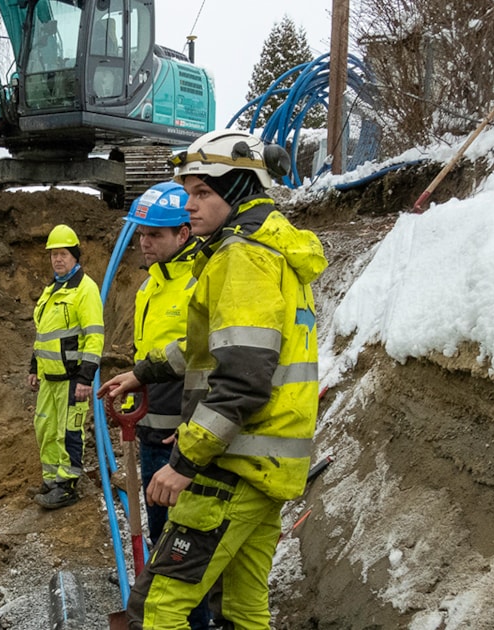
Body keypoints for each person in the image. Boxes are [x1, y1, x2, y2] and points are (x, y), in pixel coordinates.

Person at [99, 129, 326, 629]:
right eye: (189, 192)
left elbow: (242, 378)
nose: (190, 206)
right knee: (244, 608)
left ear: (242, 188)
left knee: (157, 610)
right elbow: (211, 349)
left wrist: (183, 462)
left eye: (203, 193)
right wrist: (143, 372)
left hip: (233, 463)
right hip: (267, 466)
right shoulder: (274, 254)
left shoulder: (242, 258)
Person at [122, 182, 212, 629]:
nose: (144, 243)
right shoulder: (147, 289)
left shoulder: (204, 280)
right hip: (152, 433)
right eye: (141, 234)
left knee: (185, 555)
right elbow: (149, 358)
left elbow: (209, 358)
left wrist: (193, 431)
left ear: (183, 234)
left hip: (188, 443)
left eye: (154, 235)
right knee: (164, 542)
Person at [29, 224, 105, 509]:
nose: (57, 259)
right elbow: (43, 333)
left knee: (69, 432)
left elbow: (94, 337)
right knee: (46, 428)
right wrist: (33, 367)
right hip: (49, 378)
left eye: (63, 254)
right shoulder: (52, 290)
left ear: (75, 256)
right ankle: (52, 480)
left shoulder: (85, 290)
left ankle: (68, 486)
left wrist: (86, 378)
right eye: (53, 255)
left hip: (73, 378)